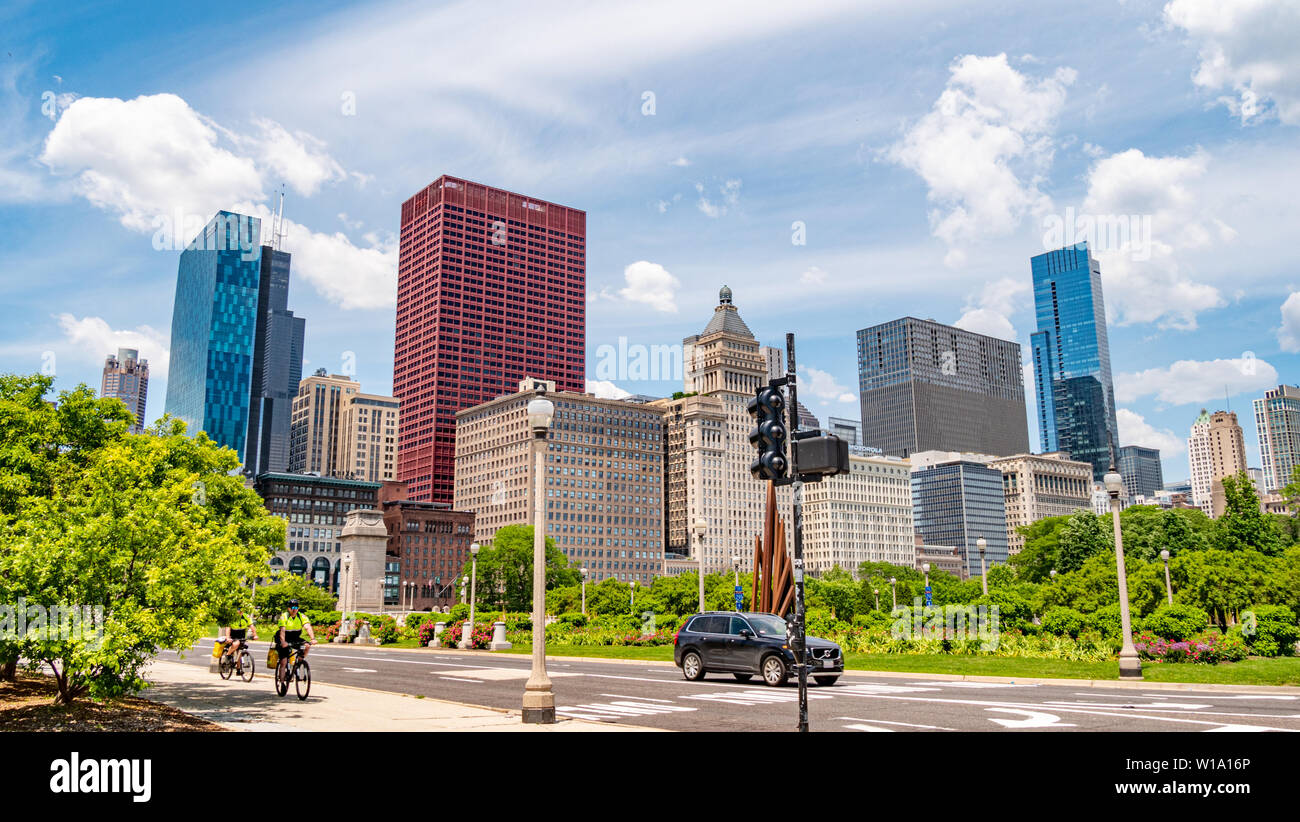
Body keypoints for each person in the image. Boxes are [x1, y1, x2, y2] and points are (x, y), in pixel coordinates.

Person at [275, 600, 316, 670]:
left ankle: (298, 663)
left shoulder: (301, 616)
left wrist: (312, 638)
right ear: (288, 608)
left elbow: (307, 627)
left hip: (295, 637)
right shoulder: (284, 616)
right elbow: (282, 630)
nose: (294, 609)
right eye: (292, 607)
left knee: (307, 646)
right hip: (283, 638)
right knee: (284, 662)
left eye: (295, 607)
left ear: (298, 608)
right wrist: (283, 642)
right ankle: (282, 678)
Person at [220, 605, 256, 673]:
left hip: (241, 633)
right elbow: (228, 628)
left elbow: (251, 625)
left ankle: (238, 669)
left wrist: (255, 635)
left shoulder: (246, 616)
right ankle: (228, 655)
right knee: (236, 644)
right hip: (233, 633)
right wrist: (228, 637)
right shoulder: (232, 617)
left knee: (240, 650)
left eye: (241, 610)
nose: (240, 611)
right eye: (238, 609)